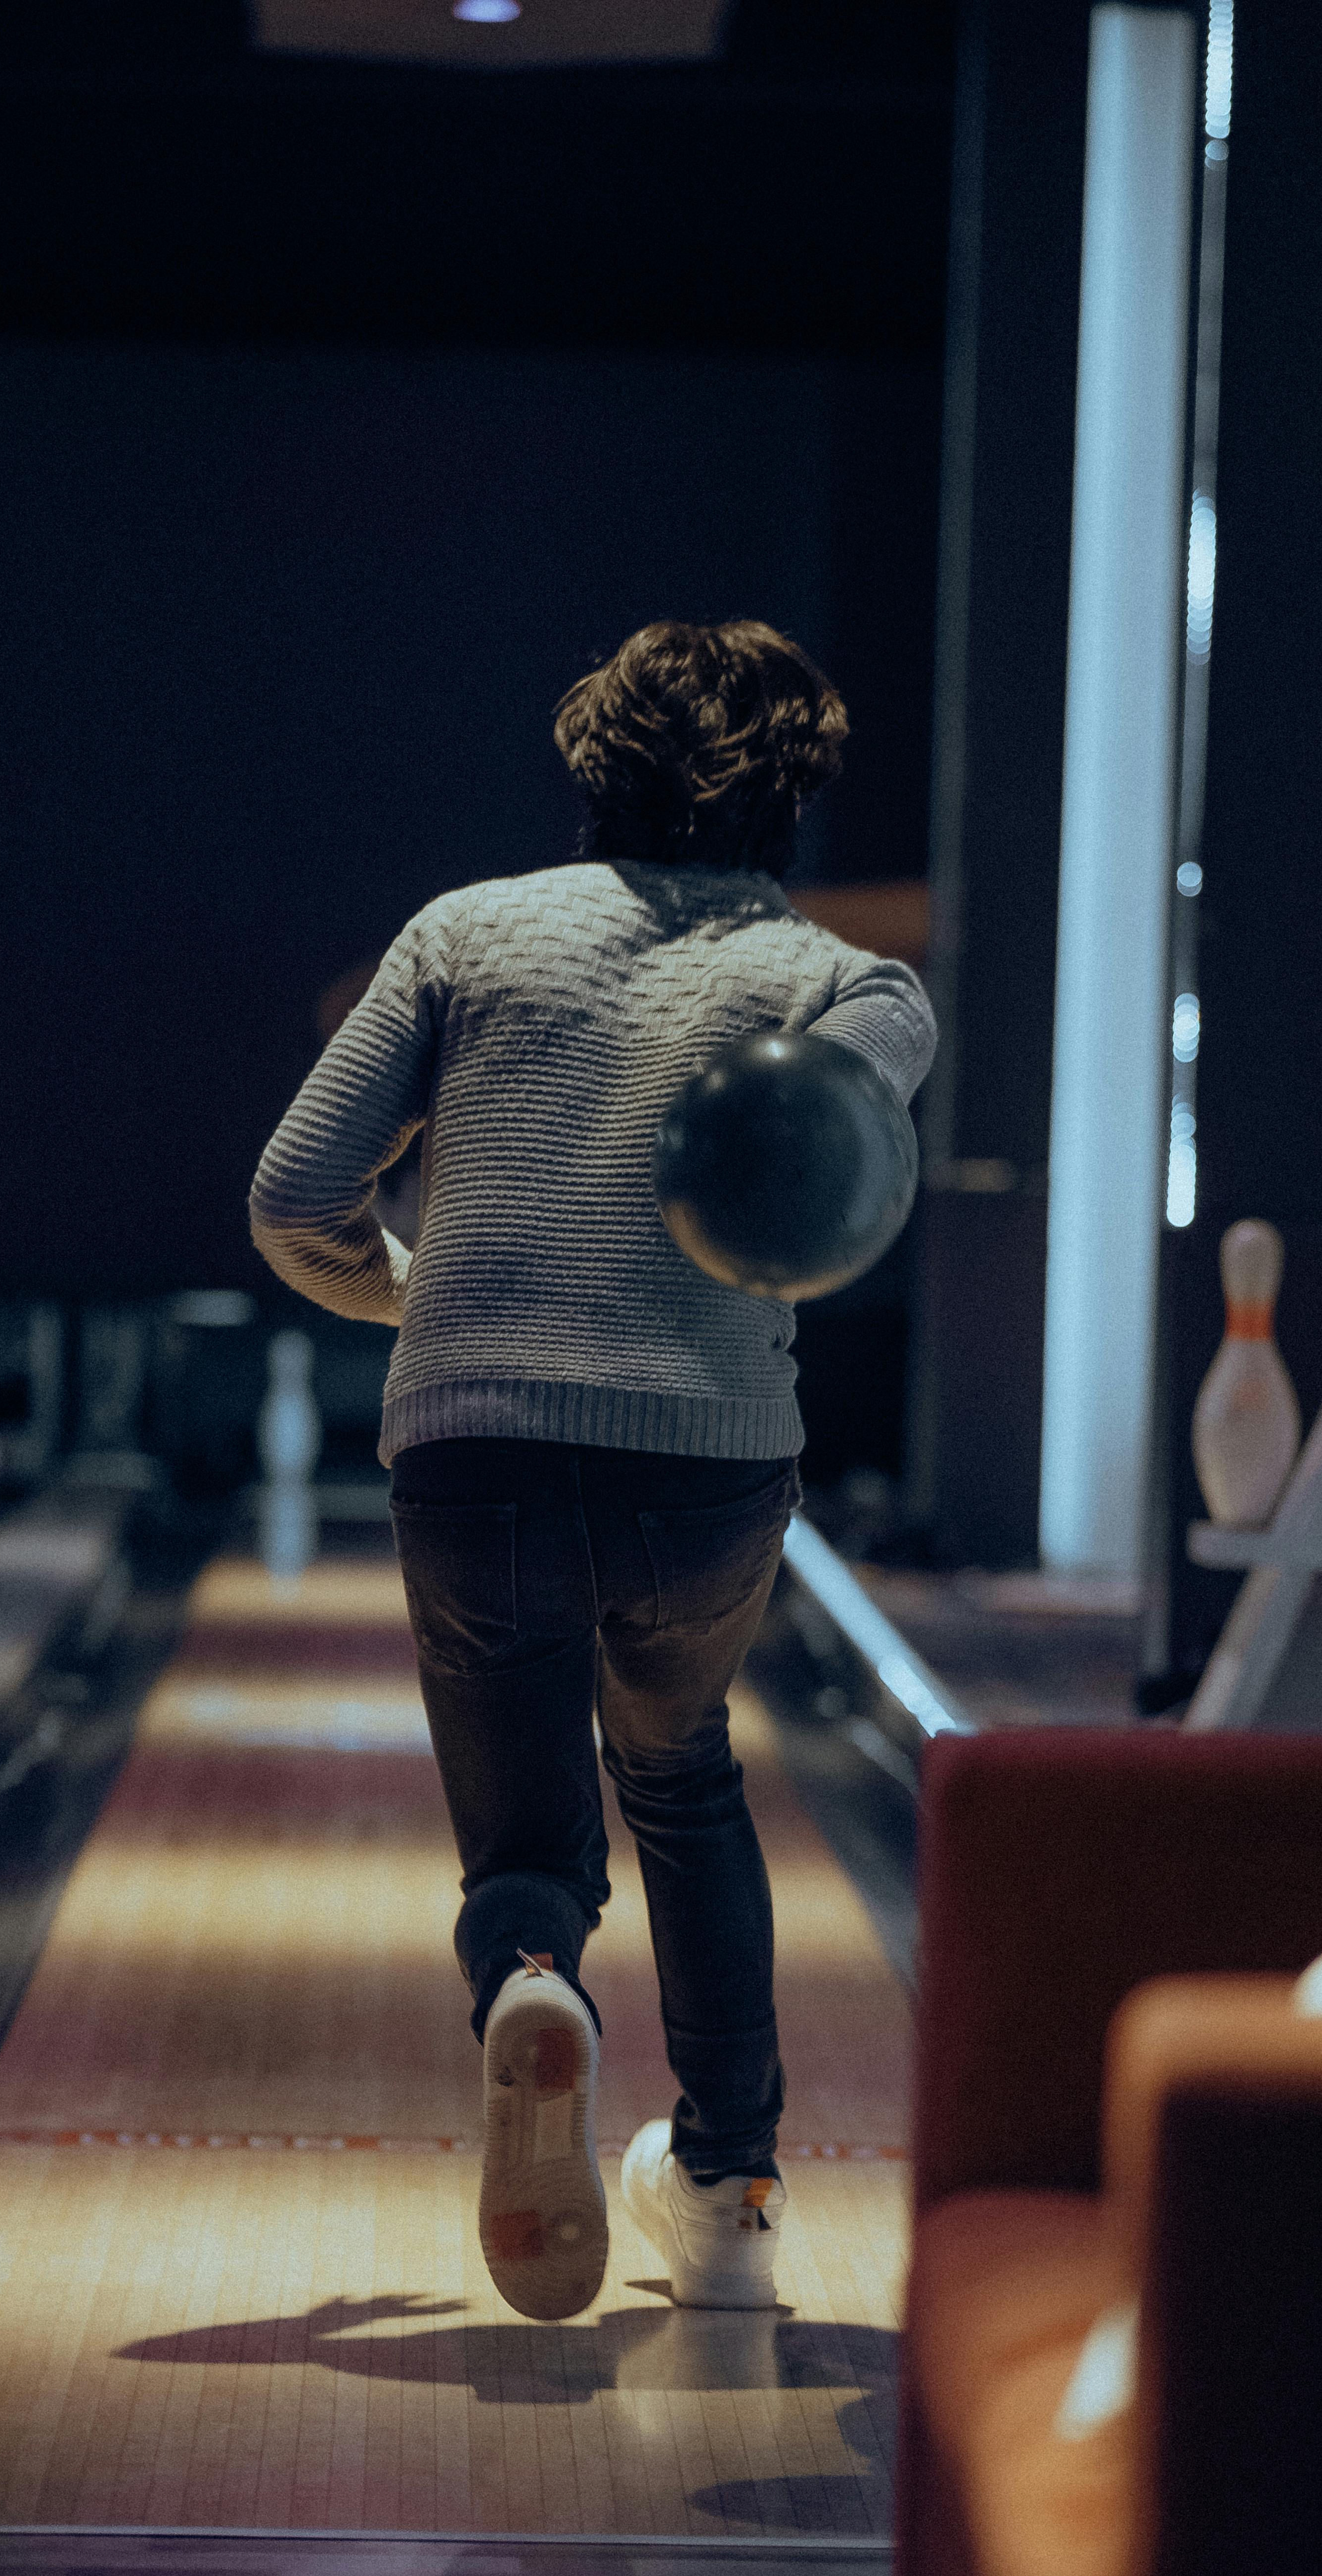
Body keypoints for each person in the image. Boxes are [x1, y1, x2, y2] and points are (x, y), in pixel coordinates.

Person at [250, 619, 936, 2320]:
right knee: (686, 1777)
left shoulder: (461, 935)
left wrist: (422, 1302)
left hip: (468, 1439)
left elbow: (292, 1194)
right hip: (702, 1462)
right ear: (794, 788)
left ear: (592, 762)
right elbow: (830, 1151)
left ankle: (533, 1976)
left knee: (523, 1844)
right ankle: (728, 2189)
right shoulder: (852, 985)